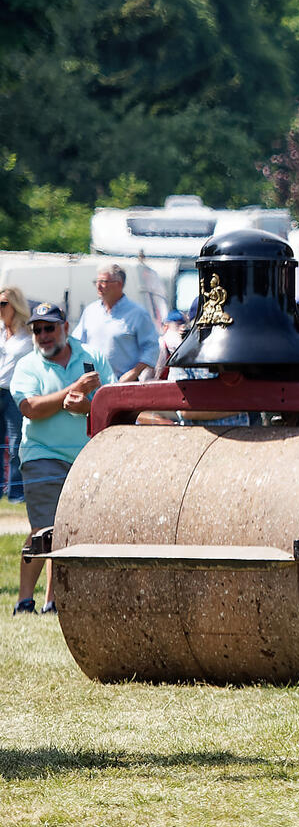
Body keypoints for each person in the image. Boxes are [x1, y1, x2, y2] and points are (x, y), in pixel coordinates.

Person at [10, 302, 114, 614]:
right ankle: (24, 601)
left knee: (69, 531)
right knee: (45, 529)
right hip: (42, 455)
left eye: (49, 328)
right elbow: (30, 408)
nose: (43, 335)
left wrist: (89, 406)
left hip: (87, 458)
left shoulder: (92, 357)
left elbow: (113, 399)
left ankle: (53, 602)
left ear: (65, 328)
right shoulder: (28, 365)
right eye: (37, 329)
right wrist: (73, 389)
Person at [71, 262, 160, 382]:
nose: (99, 286)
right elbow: (76, 344)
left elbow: (152, 347)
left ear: (119, 284)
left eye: (104, 282)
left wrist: (134, 372)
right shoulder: (90, 311)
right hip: (92, 384)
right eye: (96, 282)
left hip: (124, 384)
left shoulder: (137, 313)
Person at [0, 287, 31, 502]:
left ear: (15, 306)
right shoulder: (1, 331)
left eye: (3, 304)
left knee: (15, 446)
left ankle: (16, 493)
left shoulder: (28, 335)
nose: (0, 309)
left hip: (15, 392)